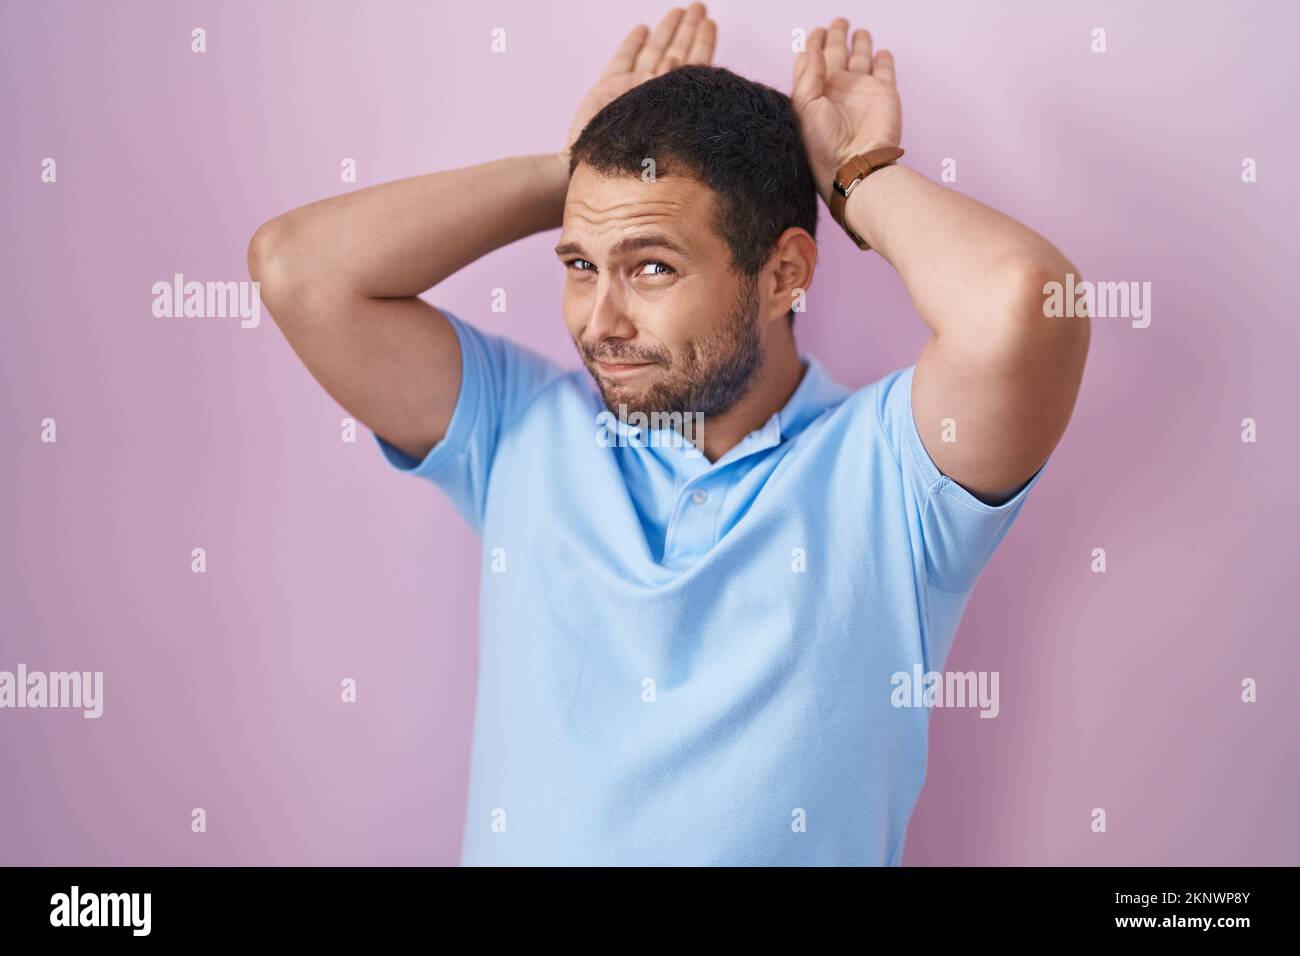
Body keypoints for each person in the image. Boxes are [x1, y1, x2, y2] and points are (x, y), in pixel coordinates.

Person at [247, 4, 1089, 865]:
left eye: (651, 266)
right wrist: (576, 174)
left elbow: (1023, 301)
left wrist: (855, 175)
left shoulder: (893, 478)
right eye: (581, 266)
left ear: (785, 273)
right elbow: (299, 269)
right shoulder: (520, 429)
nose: (600, 321)